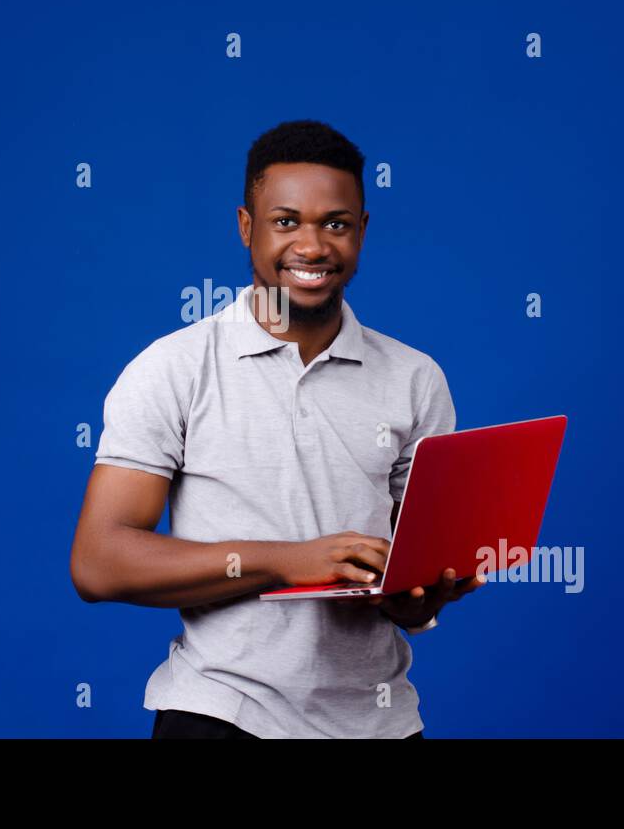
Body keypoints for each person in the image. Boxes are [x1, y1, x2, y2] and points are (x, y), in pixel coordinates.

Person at [70, 119, 485, 739]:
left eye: (335, 224)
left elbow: (412, 558)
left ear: (362, 232)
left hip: (380, 722)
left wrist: (415, 596)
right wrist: (291, 561)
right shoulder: (174, 368)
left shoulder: (415, 378)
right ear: (247, 227)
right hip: (220, 716)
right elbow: (99, 563)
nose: (312, 246)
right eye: (286, 221)